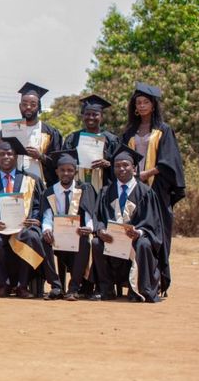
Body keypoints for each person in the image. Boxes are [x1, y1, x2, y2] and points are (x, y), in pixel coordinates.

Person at [120, 82, 185, 296]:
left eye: (146, 102)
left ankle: (158, 282)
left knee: (157, 236)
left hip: (156, 192)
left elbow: (169, 162)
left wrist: (145, 174)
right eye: (138, 102)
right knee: (131, 234)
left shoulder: (164, 131)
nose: (142, 105)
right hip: (133, 192)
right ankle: (134, 282)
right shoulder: (129, 132)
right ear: (135, 107)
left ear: (153, 105)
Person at [0, 138, 59, 298]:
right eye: (1, 154)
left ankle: (23, 285)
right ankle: (3, 284)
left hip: (24, 227)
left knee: (30, 236)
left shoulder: (32, 180)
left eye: (10, 154)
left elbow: (38, 207)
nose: (6, 157)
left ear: (16, 157)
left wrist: (36, 219)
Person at [91, 146, 164, 302]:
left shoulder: (146, 192)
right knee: (96, 242)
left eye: (125, 165)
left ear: (134, 168)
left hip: (134, 240)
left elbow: (153, 222)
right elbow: (97, 217)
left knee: (144, 244)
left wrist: (139, 232)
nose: (121, 169)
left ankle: (138, 289)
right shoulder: (106, 192)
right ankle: (107, 289)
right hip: (112, 240)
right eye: (117, 166)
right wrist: (100, 230)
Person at [39, 150, 98, 301]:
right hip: (57, 237)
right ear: (57, 171)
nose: (66, 173)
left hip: (77, 235)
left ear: (75, 172)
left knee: (85, 241)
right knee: (42, 239)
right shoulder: (49, 192)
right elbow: (47, 216)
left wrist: (89, 228)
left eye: (70, 170)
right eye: (63, 170)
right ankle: (56, 286)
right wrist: (46, 229)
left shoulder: (84, 189)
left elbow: (89, 214)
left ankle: (73, 288)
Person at [0, 83, 62, 185]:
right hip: (13, 186)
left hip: (41, 186)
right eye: (24, 103)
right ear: (19, 106)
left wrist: (41, 156)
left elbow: (59, 162)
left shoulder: (50, 132)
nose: (28, 107)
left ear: (39, 106)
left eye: (33, 104)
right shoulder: (8, 130)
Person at [62, 94, 119, 191]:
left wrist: (108, 164)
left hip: (104, 188)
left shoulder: (111, 139)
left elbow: (120, 165)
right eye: (87, 114)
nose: (91, 117)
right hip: (78, 187)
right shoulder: (73, 138)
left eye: (95, 114)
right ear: (83, 116)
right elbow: (63, 162)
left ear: (101, 117)